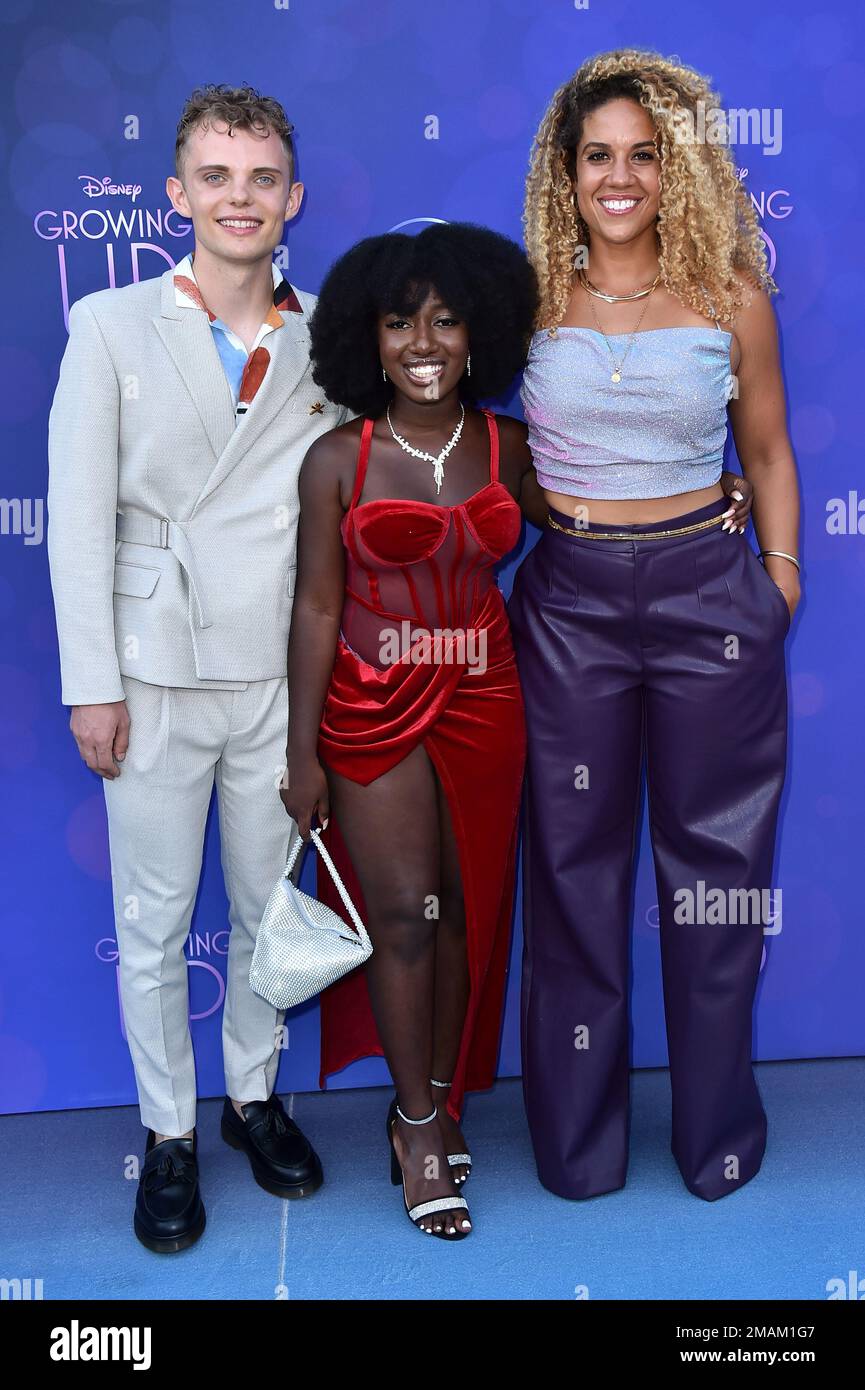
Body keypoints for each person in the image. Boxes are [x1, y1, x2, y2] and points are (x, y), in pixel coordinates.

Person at [47, 84, 352, 1252]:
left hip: (279, 667)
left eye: (262, 177)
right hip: (151, 665)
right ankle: (168, 1134)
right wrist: (93, 682)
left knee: (269, 905)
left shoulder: (332, 333)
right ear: (177, 195)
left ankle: (252, 1101)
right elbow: (77, 521)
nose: (241, 197)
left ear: (293, 199)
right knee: (157, 914)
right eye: (216, 177)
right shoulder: (111, 326)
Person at [507, 49, 799, 1202]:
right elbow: (496, 452)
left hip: (708, 599)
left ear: (677, 169)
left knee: (716, 880)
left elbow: (768, 453)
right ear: (563, 171)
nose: (618, 177)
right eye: (597, 156)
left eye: (643, 155)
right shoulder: (523, 294)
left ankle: (716, 1135)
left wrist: (775, 581)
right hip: (570, 599)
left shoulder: (732, 296)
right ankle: (578, 1151)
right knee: (574, 878)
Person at [281, 223, 544, 1239]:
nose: (423, 341)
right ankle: (421, 1126)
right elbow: (313, 608)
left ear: (480, 334)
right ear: (368, 339)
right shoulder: (333, 460)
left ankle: (435, 1088)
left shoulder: (507, 446)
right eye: (400, 322)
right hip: (371, 704)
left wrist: (715, 499)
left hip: (485, 699)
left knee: (468, 913)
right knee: (402, 917)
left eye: (444, 319)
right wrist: (301, 754)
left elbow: (585, 524)